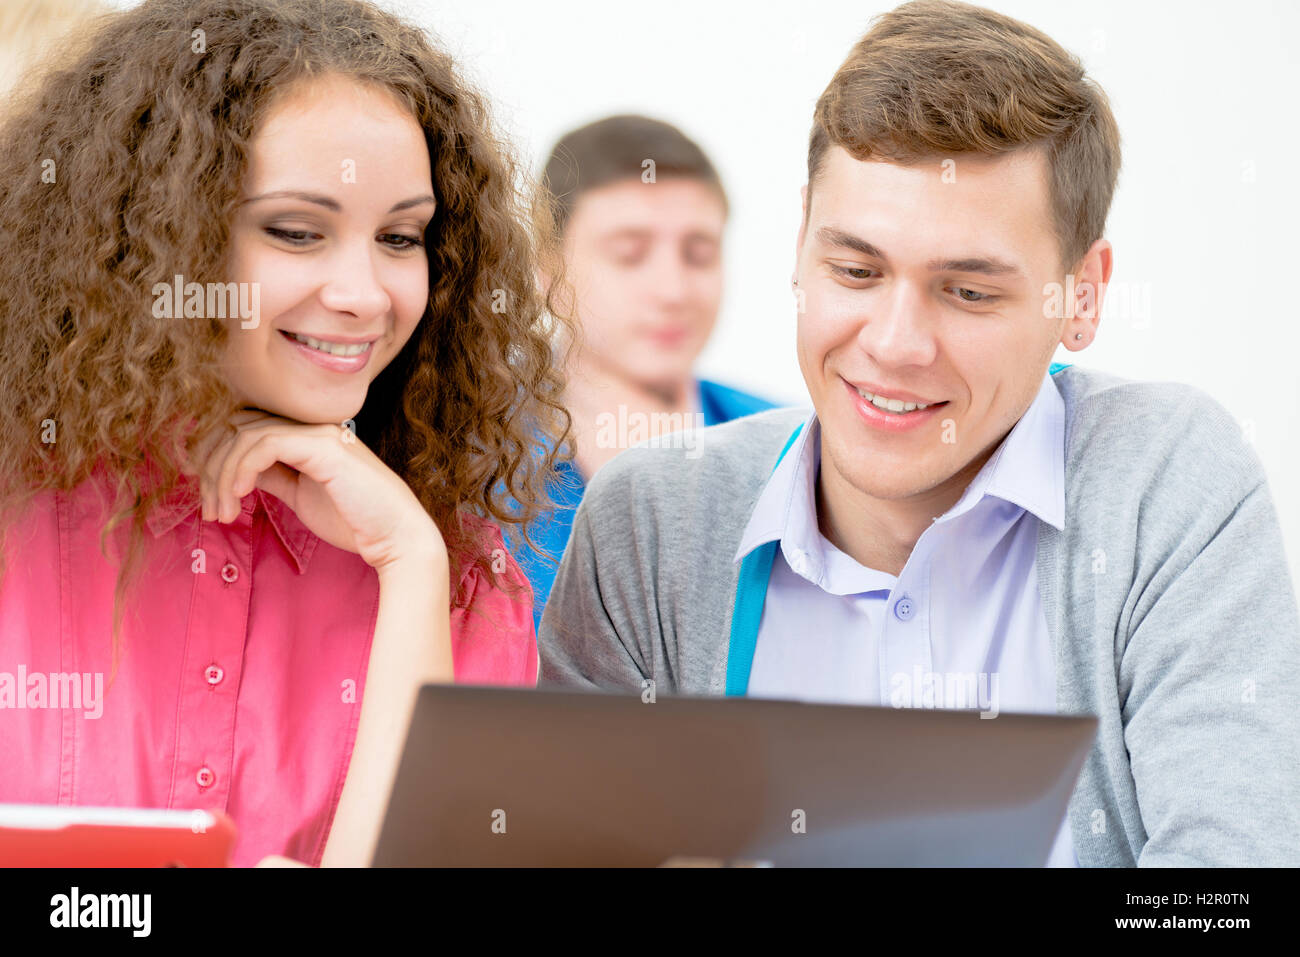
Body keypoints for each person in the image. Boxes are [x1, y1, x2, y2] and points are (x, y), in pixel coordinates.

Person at [539, 0, 1300, 866]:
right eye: (855, 269)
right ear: (798, 244)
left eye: (968, 291)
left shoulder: (1164, 484)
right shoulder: (649, 525)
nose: (894, 343)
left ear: (1082, 294)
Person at [0, 0, 569, 867]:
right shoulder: (22, 509)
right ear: (156, 233)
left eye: (400, 237)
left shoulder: (454, 575)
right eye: (297, 232)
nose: (365, 294)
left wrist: (410, 567)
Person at [516, 115, 775, 630]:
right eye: (630, 254)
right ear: (547, 269)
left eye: (699, 254)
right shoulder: (464, 455)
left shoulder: (792, 448)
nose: (672, 290)